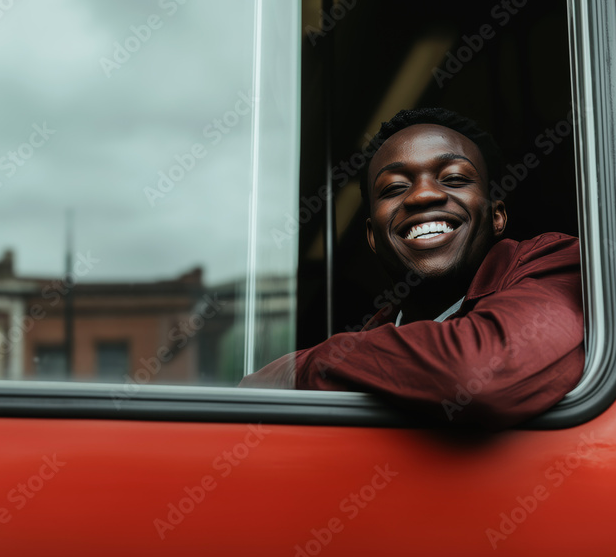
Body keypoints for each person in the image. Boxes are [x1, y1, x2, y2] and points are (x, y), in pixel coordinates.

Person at [240, 108, 585, 429]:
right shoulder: (367, 344)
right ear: (373, 237)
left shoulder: (557, 261)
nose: (422, 196)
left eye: (453, 179)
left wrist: (299, 370)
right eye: (394, 187)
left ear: (497, 217)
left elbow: (481, 372)